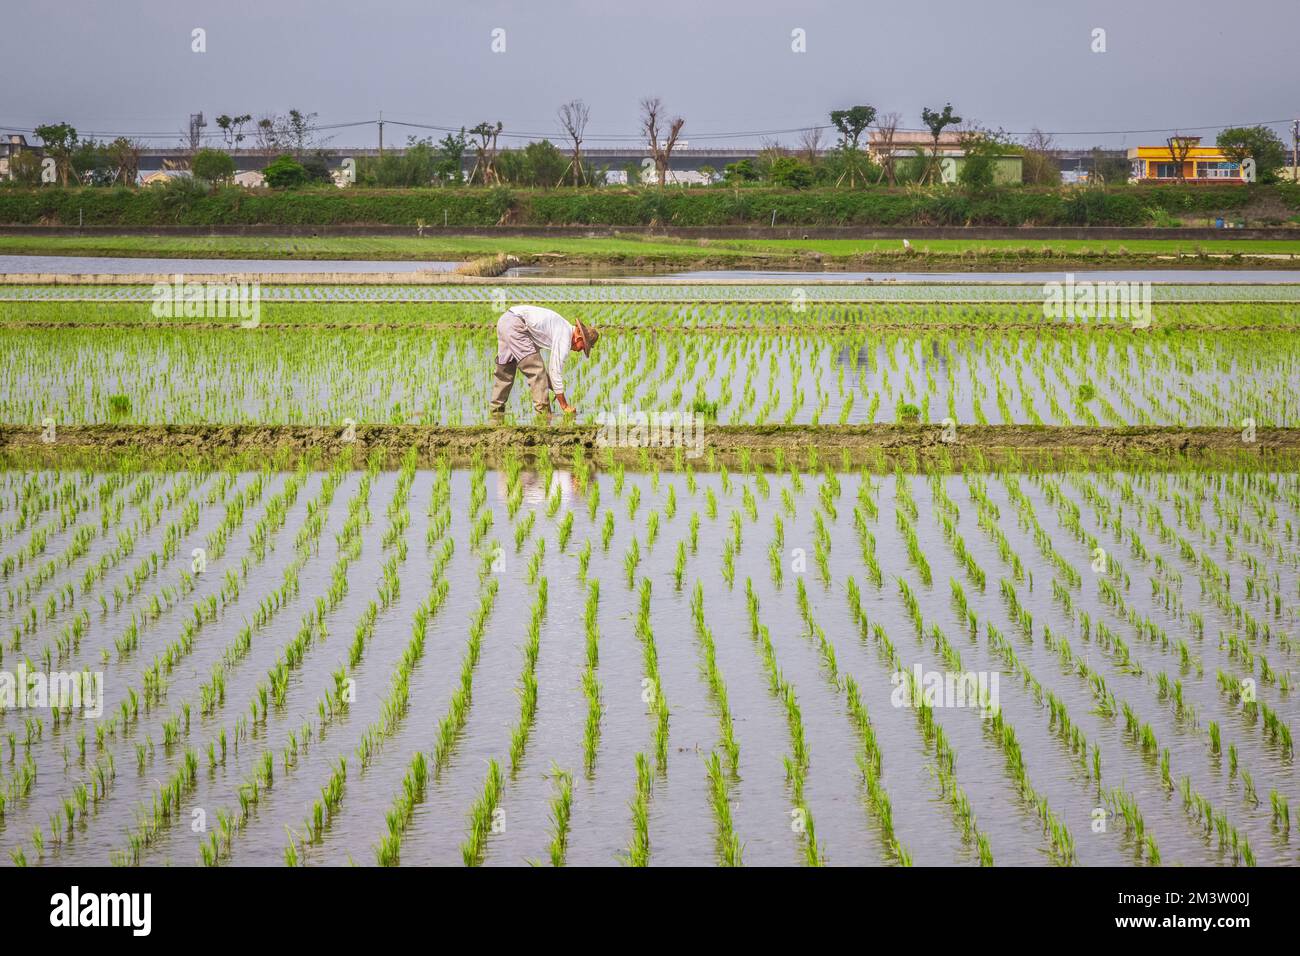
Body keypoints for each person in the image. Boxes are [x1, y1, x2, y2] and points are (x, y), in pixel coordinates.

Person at [489, 305, 599, 420]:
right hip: (517, 325)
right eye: (583, 347)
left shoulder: (562, 326)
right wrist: (564, 405)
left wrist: (555, 389)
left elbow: (550, 374)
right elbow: (554, 371)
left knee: (505, 368)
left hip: (506, 320)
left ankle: (496, 413)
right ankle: (544, 417)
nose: (580, 350)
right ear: (579, 338)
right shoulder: (565, 336)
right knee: (537, 372)